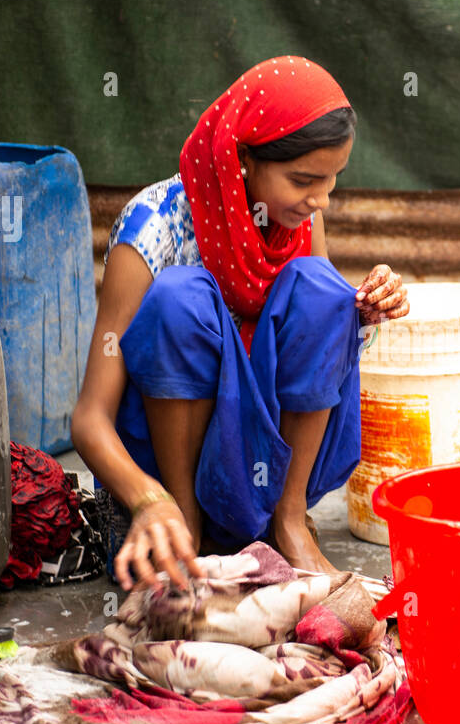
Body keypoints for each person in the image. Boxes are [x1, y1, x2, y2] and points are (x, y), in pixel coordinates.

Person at [71, 56, 409, 592]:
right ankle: (187, 526)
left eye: (332, 181)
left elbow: (311, 329)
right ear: (244, 158)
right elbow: (89, 420)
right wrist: (148, 500)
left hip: (262, 476)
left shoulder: (299, 219)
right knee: (181, 301)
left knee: (325, 291)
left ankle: (289, 521)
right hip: (162, 484)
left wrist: (361, 310)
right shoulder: (152, 231)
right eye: (304, 180)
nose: (320, 200)